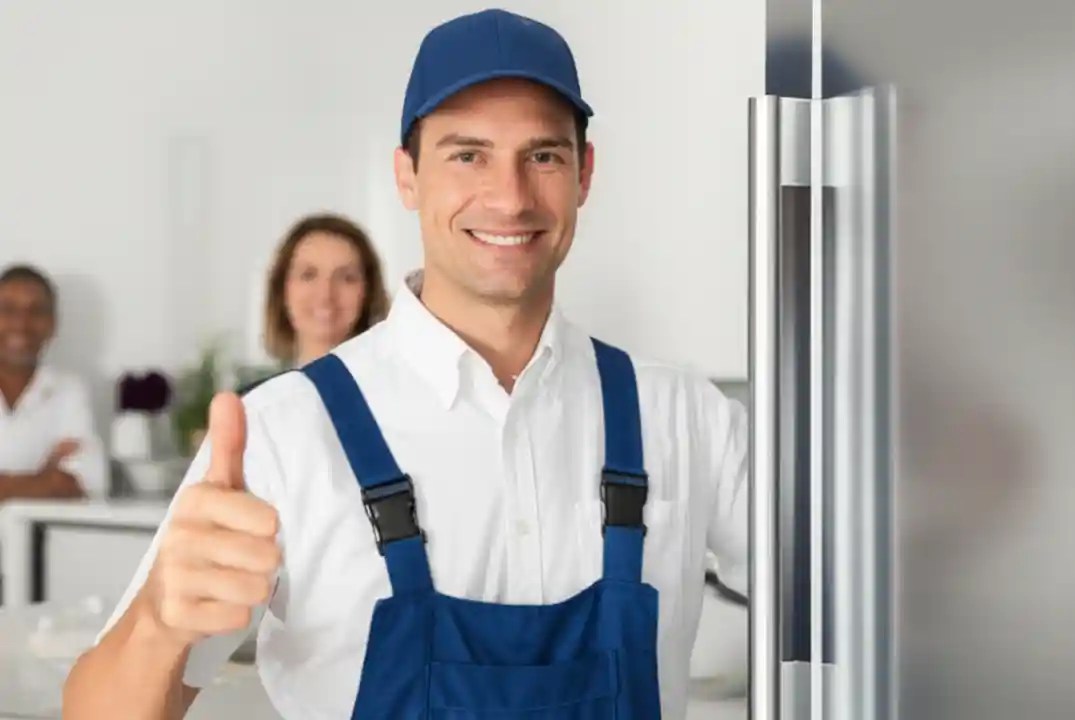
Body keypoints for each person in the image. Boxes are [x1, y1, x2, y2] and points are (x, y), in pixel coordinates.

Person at [64, 9, 746, 719]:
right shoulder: (285, 432)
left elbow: (847, 598)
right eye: (467, 154)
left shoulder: (685, 419)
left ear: (585, 173)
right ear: (407, 175)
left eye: (542, 155)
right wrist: (158, 627)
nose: (510, 197)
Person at [0, 264, 108, 503]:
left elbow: (87, 481)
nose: (21, 324)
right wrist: (41, 479)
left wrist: (8, 486)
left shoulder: (68, 391)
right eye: (8, 310)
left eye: (36, 311)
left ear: (52, 325)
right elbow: (56, 484)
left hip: (36, 541)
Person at [260, 213, 390, 369]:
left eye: (346, 278)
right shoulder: (256, 393)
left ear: (369, 292)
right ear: (281, 290)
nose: (325, 294)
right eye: (308, 275)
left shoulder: (400, 391)